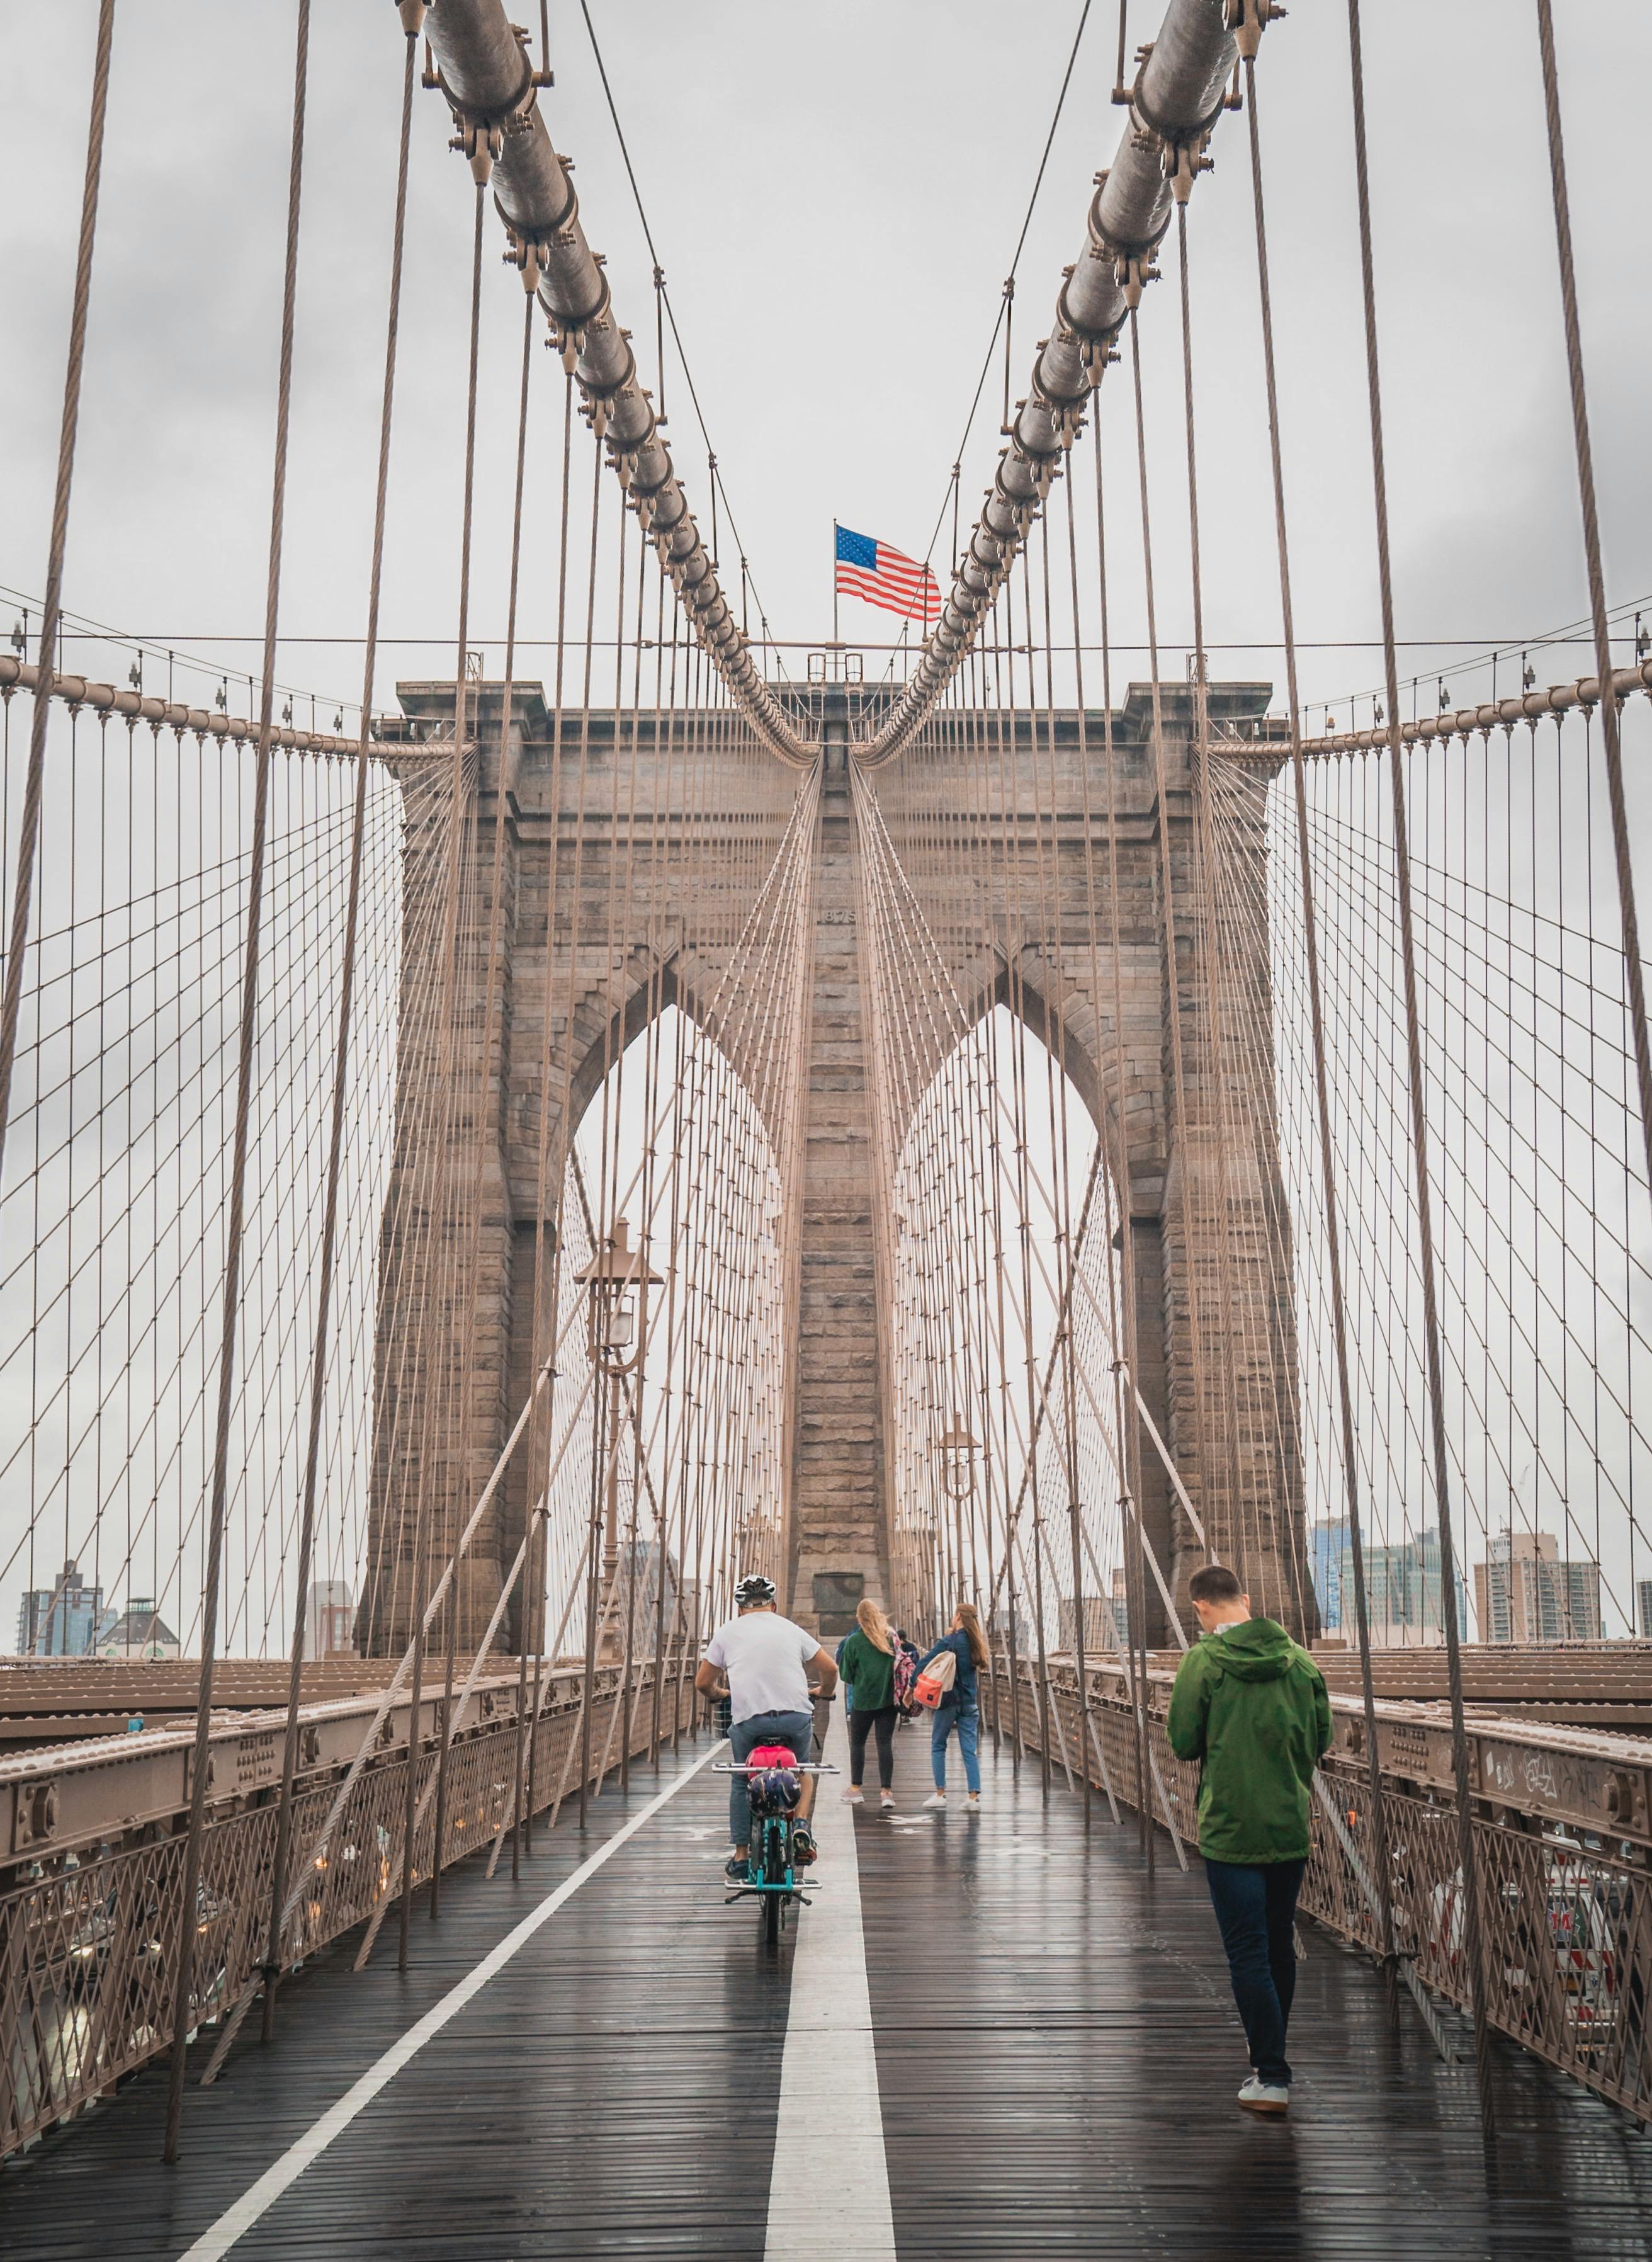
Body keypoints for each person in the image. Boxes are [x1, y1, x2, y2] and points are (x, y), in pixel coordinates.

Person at [1166, 1562, 1332, 2117]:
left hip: (1231, 1829)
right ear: (1247, 1598)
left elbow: (1184, 1742)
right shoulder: (1302, 1662)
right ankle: (1270, 2052)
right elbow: (1322, 1738)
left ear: (1201, 1607)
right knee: (1278, 1944)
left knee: (1247, 1953)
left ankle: (1271, 2072)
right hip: (1288, 1825)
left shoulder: (1204, 1661)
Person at [696, 1574, 838, 1882]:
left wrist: (719, 1694)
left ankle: (741, 1856)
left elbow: (703, 1683)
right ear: (773, 1605)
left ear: (740, 1609)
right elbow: (830, 1668)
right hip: (795, 1717)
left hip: (750, 1720)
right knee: (802, 1771)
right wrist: (825, 1692)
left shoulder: (727, 1633)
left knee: (739, 1779)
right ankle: (800, 1824)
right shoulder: (791, 1629)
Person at [917, 1602, 987, 1811]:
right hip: (969, 1703)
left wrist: (913, 1687)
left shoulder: (949, 1641)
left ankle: (940, 1793)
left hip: (948, 1702)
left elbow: (925, 1663)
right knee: (969, 1750)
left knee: (938, 1745)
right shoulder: (976, 1643)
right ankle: (973, 1797)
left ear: (958, 1616)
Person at [836, 1597, 900, 1809]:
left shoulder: (854, 1642)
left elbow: (846, 1675)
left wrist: (860, 1680)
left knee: (858, 1744)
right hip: (888, 1700)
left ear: (859, 1619)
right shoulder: (891, 1638)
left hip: (862, 1701)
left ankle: (856, 1789)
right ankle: (886, 1792)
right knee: (884, 1743)